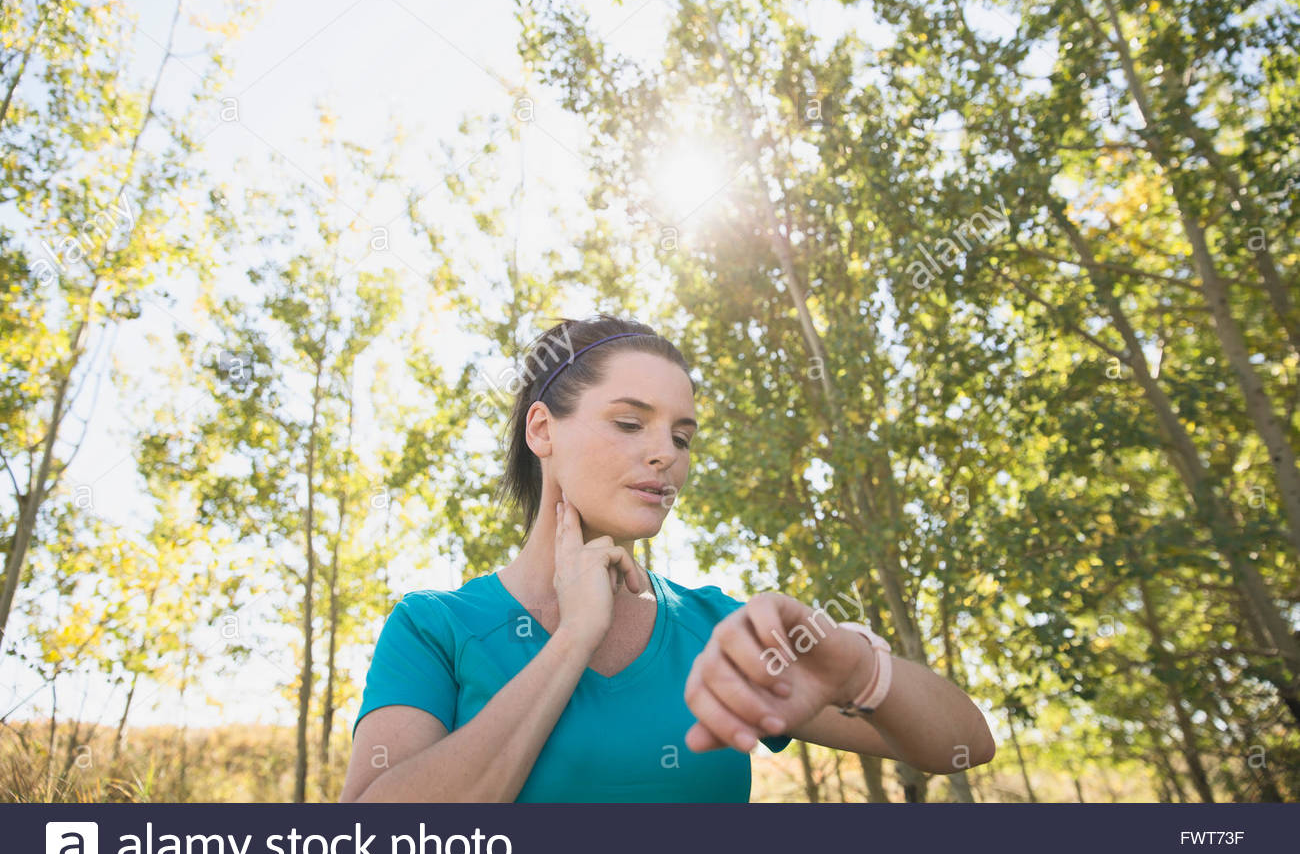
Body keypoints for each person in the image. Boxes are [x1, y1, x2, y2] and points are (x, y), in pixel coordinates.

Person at [339, 314, 995, 802]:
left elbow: (965, 744)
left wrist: (855, 666)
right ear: (542, 430)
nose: (666, 456)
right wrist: (574, 639)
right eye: (630, 423)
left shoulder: (717, 630)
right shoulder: (436, 628)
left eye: (682, 437)